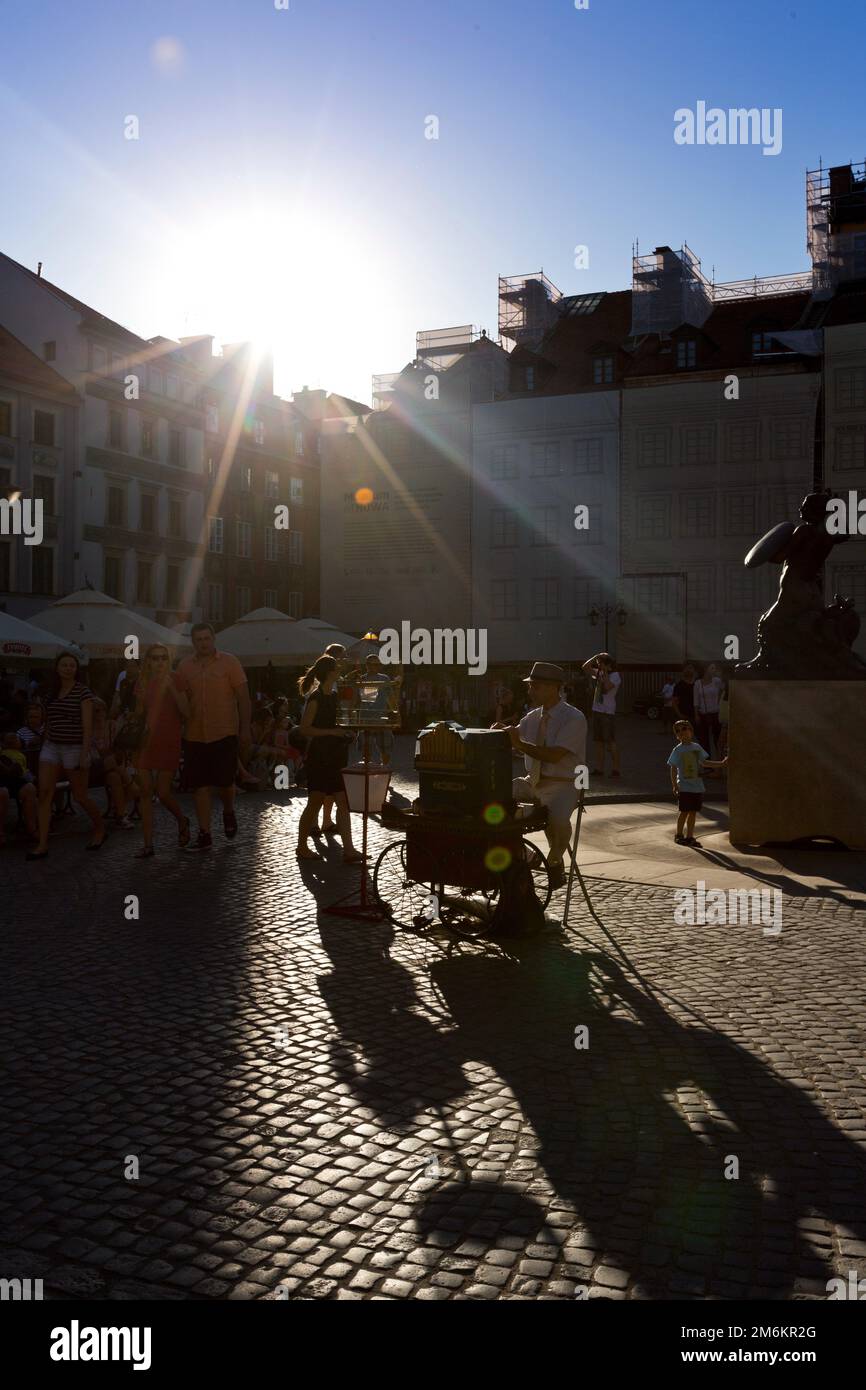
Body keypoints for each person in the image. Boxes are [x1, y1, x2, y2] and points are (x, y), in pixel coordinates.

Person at [508, 661, 587, 890]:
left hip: (567, 783)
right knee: (492, 801)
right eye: (530, 686)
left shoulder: (574, 718)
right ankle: (526, 855)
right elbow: (513, 737)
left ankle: (554, 862)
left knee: (558, 821)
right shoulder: (531, 717)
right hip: (533, 781)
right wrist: (499, 734)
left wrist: (519, 744)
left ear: (554, 687)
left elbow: (554, 756)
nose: (530, 691)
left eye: (536, 686)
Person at [175, 623, 251, 852]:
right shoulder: (184, 666)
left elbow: (243, 698)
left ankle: (229, 810)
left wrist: (245, 729)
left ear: (213, 638)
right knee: (200, 786)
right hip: (194, 734)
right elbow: (180, 699)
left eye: (206, 639)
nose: (203, 643)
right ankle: (205, 833)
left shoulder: (230, 662)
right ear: (193, 642)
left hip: (224, 732)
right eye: (198, 640)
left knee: (226, 783)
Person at [27, 652, 105, 859]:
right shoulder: (50, 692)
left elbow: (87, 726)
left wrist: (84, 753)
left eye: (72, 665)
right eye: (64, 665)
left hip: (74, 747)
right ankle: (42, 843)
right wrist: (44, 742)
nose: (68, 668)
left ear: (76, 669)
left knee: (80, 796)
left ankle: (99, 828)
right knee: (44, 793)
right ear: (57, 667)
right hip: (52, 747)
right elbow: (49, 721)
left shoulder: (83, 692)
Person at [294, 654, 363, 863]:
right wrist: (332, 732)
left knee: (342, 801)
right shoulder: (316, 698)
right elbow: (305, 729)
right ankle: (302, 846)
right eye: (336, 668)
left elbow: (339, 723)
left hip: (335, 756)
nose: (339, 671)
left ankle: (349, 849)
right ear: (329, 672)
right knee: (315, 802)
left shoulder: (334, 696)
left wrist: (346, 733)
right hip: (320, 757)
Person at [130, 643, 192, 857]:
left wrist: (171, 688)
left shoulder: (176, 679)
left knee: (163, 793)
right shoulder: (142, 681)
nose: (159, 662)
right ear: (148, 660)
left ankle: (182, 820)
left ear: (169, 660)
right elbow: (139, 713)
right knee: (146, 792)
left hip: (168, 740)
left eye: (163, 658)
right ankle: (148, 845)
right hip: (146, 741)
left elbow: (186, 711)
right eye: (154, 658)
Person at [667, 719, 727, 848]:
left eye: (684, 728)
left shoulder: (696, 747)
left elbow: (704, 763)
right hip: (683, 786)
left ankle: (690, 836)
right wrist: (674, 785)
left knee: (693, 812)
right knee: (684, 811)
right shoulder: (677, 750)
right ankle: (679, 835)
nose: (682, 732)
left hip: (696, 786)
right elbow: (672, 767)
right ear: (677, 736)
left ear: (691, 731)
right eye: (678, 731)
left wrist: (721, 764)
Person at [89, 697, 134, 829]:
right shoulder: (88, 729)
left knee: (114, 777)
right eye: (96, 711)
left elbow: (119, 747)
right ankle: (132, 785)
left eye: (103, 709)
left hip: (113, 766)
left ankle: (121, 814)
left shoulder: (111, 726)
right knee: (112, 761)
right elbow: (93, 755)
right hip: (94, 767)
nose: (100, 713)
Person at [582, 651, 621, 778]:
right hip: (597, 710)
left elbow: (608, 687)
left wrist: (604, 674)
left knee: (610, 742)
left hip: (607, 712)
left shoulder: (615, 676)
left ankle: (616, 769)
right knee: (598, 741)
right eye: (598, 664)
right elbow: (585, 667)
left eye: (601, 664)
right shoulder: (600, 672)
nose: (598, 666)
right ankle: (599, 768)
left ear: (607, 664)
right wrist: (595, 657)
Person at [0, 732, 38, 844]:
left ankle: (32, 828)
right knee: (2, 792)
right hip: (2, 779)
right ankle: (0, 832)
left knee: (29, 788)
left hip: (11, 778)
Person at [693, 662, 723, 757]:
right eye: (712, 668)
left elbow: (723, 691)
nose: (714, 670)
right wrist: (696, 715)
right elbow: (696, 700)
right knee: (704, 740)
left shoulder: (717, 681)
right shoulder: (698, 683)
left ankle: (720, 762)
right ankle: (708, 764)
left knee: (718, 739)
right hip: (703, 713)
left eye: (715, 668)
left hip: (716, 713)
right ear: (706, 670)